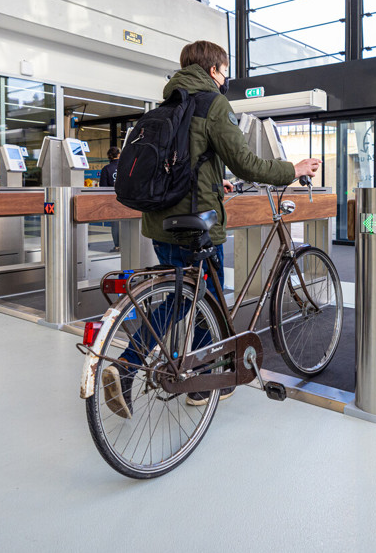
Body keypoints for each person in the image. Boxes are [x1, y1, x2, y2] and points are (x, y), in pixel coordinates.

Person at [102, 40, 320, 418]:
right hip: (196, 224)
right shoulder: (212, 103)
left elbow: (182, 163)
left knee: (181, 296)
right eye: (225, 71)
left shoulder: (168, 105)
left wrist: (216, 182)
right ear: (214, 70)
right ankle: (177, 376)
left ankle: (148, 365)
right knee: (203, 301)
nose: (225, 78)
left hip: (159, 222)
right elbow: (247, 162)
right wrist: (293, 169)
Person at [98, 146, 121, 252]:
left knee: (115, 223)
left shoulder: (106, 169)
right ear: (119, 155)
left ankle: (117, 246)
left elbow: (103, 187)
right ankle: (129, 244)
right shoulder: (125, 167)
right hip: (126, 199)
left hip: (113, 200)